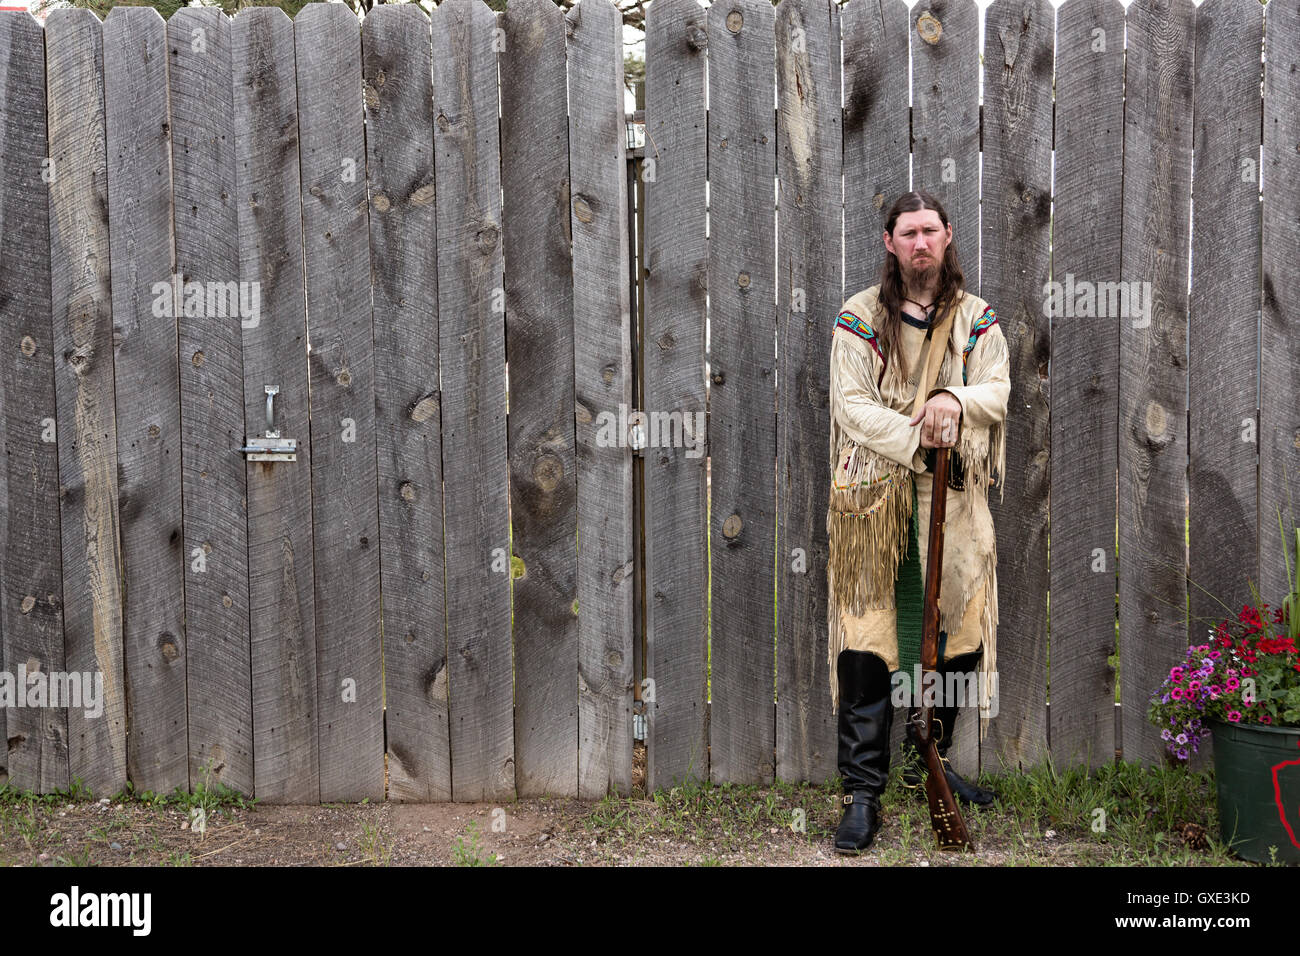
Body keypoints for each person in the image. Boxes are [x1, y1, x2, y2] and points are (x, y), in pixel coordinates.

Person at [825, 190, 1011, 854]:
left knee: (957, 628)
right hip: (872, 501)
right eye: (908, 232)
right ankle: (861, 793)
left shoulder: (977, 319)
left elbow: (997, 390)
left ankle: (928, 760)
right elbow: (850, 405)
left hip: (951, 500)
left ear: (948, 236)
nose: (921, 242)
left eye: (931, 230)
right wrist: (918, 436)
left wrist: (951, 399)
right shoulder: (859, 317)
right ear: (890, 242)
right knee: (867, 635)